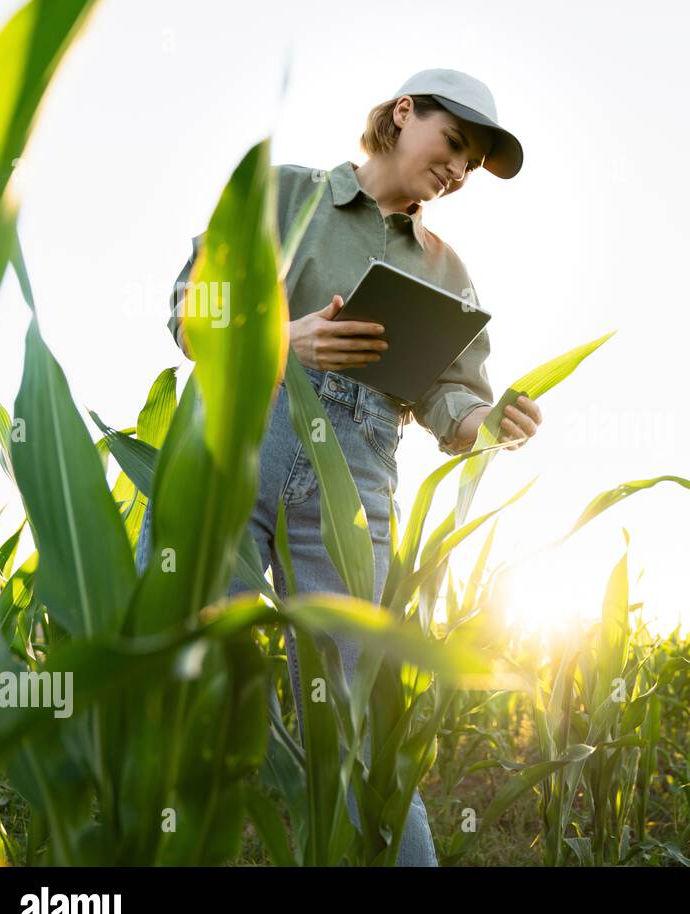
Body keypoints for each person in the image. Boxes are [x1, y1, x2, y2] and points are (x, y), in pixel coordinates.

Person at [135, 69, 543, 866]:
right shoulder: (285, 195)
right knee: (188, 685)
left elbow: (451, 410)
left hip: (355, 483)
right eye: (454, 143)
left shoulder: (448, 271)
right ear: (401, 114)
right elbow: (191, 308)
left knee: (359, 721)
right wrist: (289, 341)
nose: (458, 172)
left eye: (472, 166)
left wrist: (492, 422)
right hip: (240, 439)